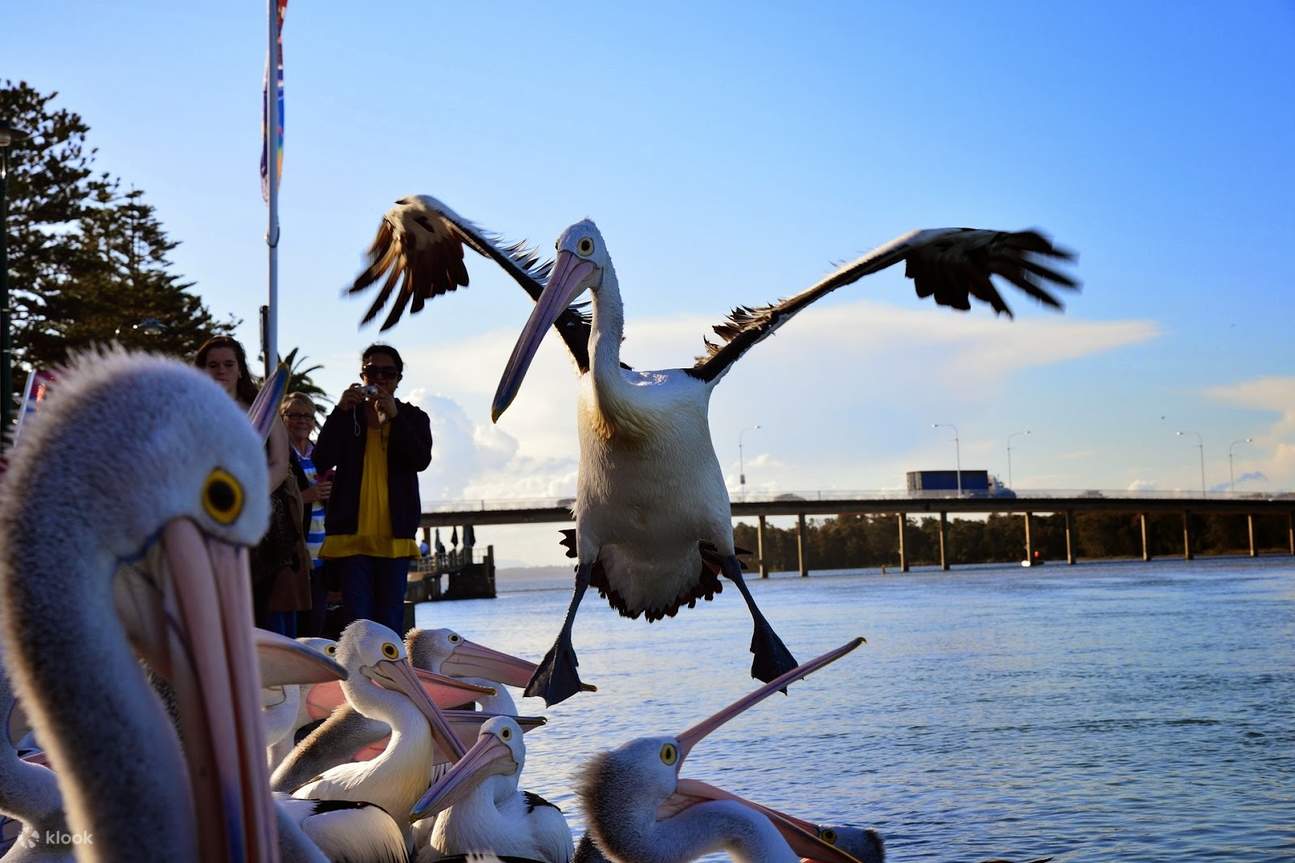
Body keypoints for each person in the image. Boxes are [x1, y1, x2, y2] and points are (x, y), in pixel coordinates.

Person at [313, 344, 432, 636]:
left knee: (391, 619)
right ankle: (357, 680)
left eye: (387, 373)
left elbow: (420, 460)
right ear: (361, 376)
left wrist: (395, 417)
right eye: (371, 371)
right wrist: (340, 411)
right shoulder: (348, 416)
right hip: (352, 539)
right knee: (357, 621)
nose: (379, 378)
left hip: (394, 539)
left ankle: (389, 681)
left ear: (398, 379)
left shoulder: (414, 418)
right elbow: (322, 459)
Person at [195, 336, 310, 634]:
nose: (221, 370)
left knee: (267, 610)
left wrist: (250, 497)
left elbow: (280, 464)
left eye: (228, 364)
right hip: (211, 522)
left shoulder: (265, 410)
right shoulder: (191, 412)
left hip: (264, 525)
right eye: (213, 365)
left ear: (240, 369)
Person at [281, 392, 335, 637]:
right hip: (293, 557)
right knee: (295, 629)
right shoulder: (278, 455)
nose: (301, 421)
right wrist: (305, 496)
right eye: (294, 415)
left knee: (317, 627)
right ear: (283, 419)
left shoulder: (321, 455)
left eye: (307, 416)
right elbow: (269, 499)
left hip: (322, 557)